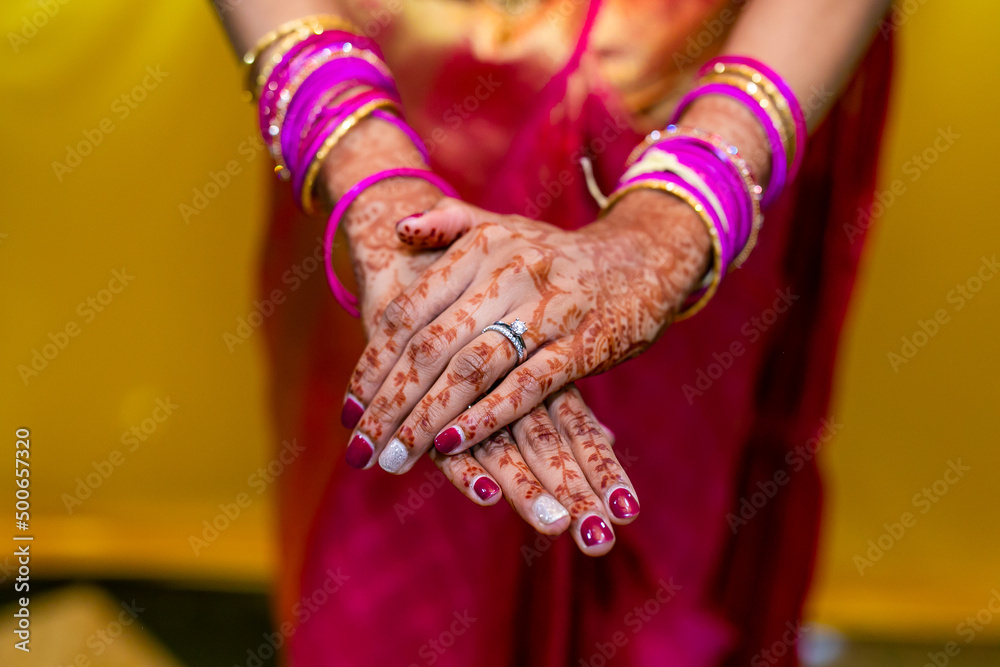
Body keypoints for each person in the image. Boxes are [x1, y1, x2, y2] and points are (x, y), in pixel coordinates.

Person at [215, 0, 893, 664]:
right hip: (388, 69)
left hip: (723, 74)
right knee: (389, 543)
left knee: (666, 552)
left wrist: (679, 216)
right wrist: (365, 166)